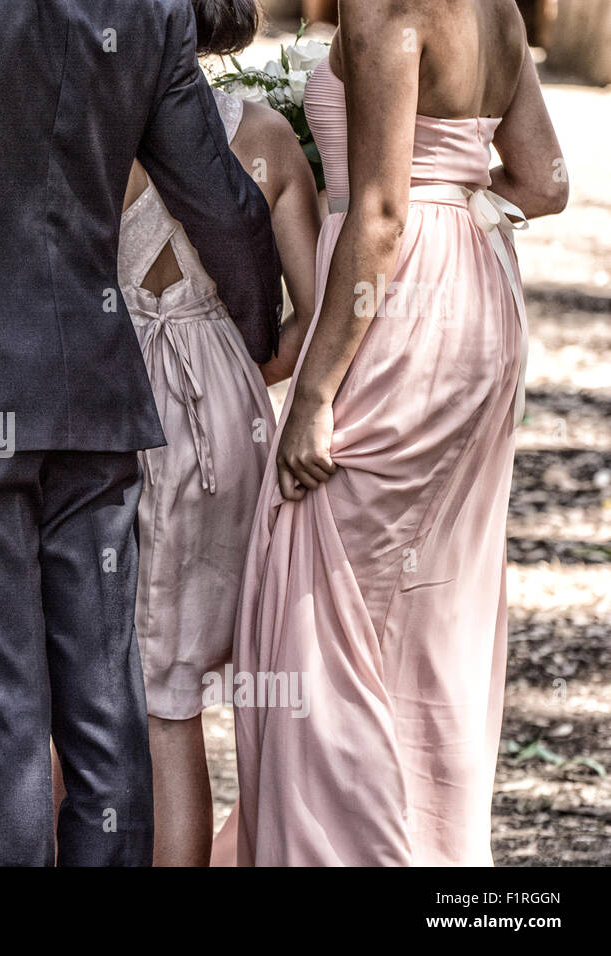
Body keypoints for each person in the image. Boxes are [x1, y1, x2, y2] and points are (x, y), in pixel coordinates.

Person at [0, 0, 282, 866]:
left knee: (1, 729)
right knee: (109, 720)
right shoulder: (151, 9)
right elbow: (223, 202)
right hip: (98, 400)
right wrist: (253, 340)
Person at [234, 0, 568, 865]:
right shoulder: (494, 7)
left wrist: (311, 395)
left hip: (401, 303)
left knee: (322, 594)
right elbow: (544, 181)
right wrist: (450, 195)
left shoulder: (387, 7)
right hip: (482, 294)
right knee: (432, 610)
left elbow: (381, 212)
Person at [120, 0, 321, 867]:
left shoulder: (93, 122)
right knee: (176, 703)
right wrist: (238, 378)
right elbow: (314, 316)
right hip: (224, 424)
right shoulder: (268, 135)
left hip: (109, 396)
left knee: (94, 682)